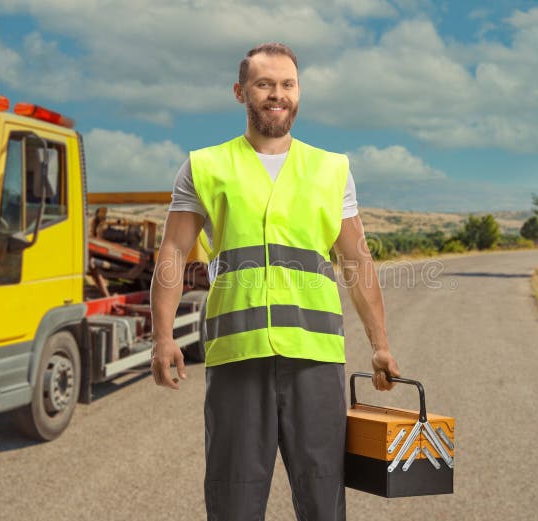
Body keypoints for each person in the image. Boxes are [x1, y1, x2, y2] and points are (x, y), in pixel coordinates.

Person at [150, 42, 400, 521]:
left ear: (298, 92)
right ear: (241, 91)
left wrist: (380, 344)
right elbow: (173, 254)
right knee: (233, 498)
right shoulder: (204, 166)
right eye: (264, 84)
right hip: (237, 358)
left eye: (287, 84)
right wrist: (163, 338)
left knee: (323, 497)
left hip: (316, 357)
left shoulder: (332, 169)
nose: (276, 94)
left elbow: (356, 261)